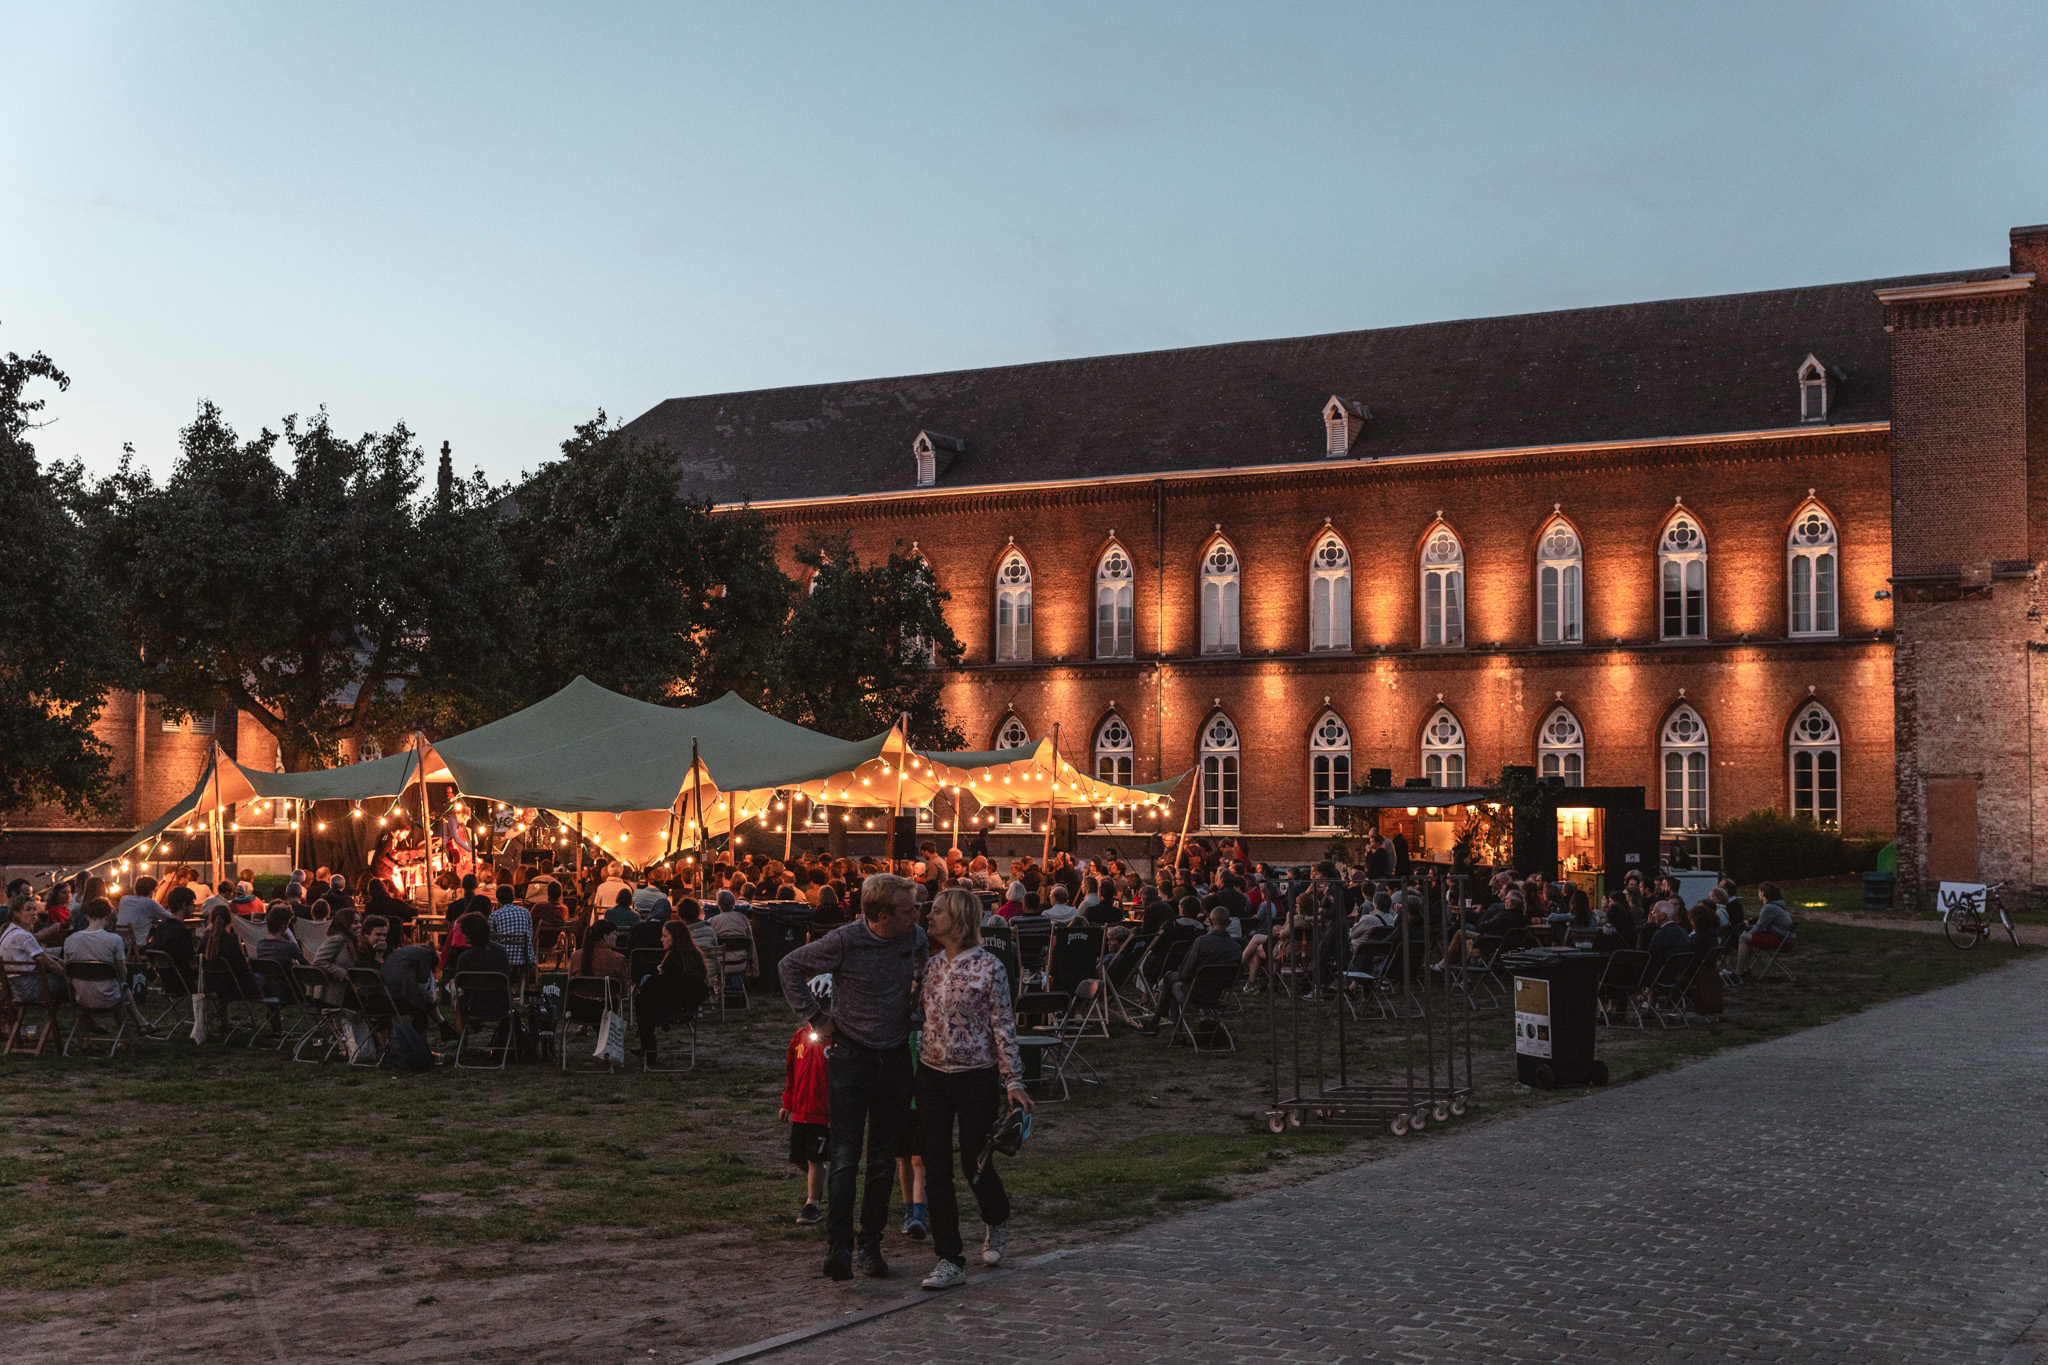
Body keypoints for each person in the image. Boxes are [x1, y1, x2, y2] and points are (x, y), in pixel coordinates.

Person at [777, 872, 927, 1282]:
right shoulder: (845, 940)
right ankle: (838, 1247)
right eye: (908, 909)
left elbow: (923, 975)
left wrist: (915, 1013)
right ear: (881, 914)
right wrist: (815, 1017)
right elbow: (789, 965)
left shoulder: (913, 938)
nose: (917, 913)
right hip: (850, 1057)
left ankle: (870, 1245)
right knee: (844, 1157)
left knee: (882, 1159)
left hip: (894, 1057)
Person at [912, 888, 1030, 1290]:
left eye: (938, 912)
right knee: (936, 1166)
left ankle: (996, 1217)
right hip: (931, 1074)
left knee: (974, 1161)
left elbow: (1003, 1024)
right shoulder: (929, 967)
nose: (929, 916)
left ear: (959, 920)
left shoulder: (989, 968)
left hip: (975, 1075)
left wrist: (1013, 1079)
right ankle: (949, 1257)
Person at [782, 999, 832, 1226]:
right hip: (801, 1111)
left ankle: (812, 1204)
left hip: (822, 1113)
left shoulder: (837, 1042)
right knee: (800, 1158)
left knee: (814, 1158)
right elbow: (791, 1072)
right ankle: (822, 1177)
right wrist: (788, 1102)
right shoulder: (800, 1037)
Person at [634, 921, 710, 1065]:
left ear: (675, 937)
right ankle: (647, 1042)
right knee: (647, 991)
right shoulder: (695, 958)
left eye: (664, 936)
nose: (661, 939)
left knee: (643, 997)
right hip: (688, 1007)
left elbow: (666, 990)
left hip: (669, 1009)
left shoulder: (672, 962)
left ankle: (648, 1047)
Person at [2, 894, 66, 1006]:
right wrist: (69, 976)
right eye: (28, 910)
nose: (33, 913)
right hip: (32, 989)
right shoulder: (23, 935)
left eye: (34, 909)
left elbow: (44, 954)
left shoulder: (8, 931)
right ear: (16, 913)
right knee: (76, 983)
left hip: (17, 989)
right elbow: (50, 964)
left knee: (59, 954)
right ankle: (83, 1018)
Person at [1733, 881, 1795, 980]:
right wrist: (1747, 928)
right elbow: (1761, 926)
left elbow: (1758, 928)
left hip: (1781, 940)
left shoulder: (1769, 908)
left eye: (1759, 891)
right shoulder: (1777, 906)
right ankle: (1745, 970)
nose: (1758, 894)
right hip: (1784, 938)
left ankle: (1739, 972)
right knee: (1746, 937)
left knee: (1745, 938)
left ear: (1763, 893)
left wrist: (1744, 934)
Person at [487, 884, 536, 976]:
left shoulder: (495, 915)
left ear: (498, 899)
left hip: (502, 958)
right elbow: (530, 935)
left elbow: (490, 938)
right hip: (524, 957)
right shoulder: (525, 912)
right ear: (513, 897)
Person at [116, 875, 173, 946]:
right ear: (152, 890)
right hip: (138, 946)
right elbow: (171, 918)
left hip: (120, 945)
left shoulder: (124, 899)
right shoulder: (150, 903)